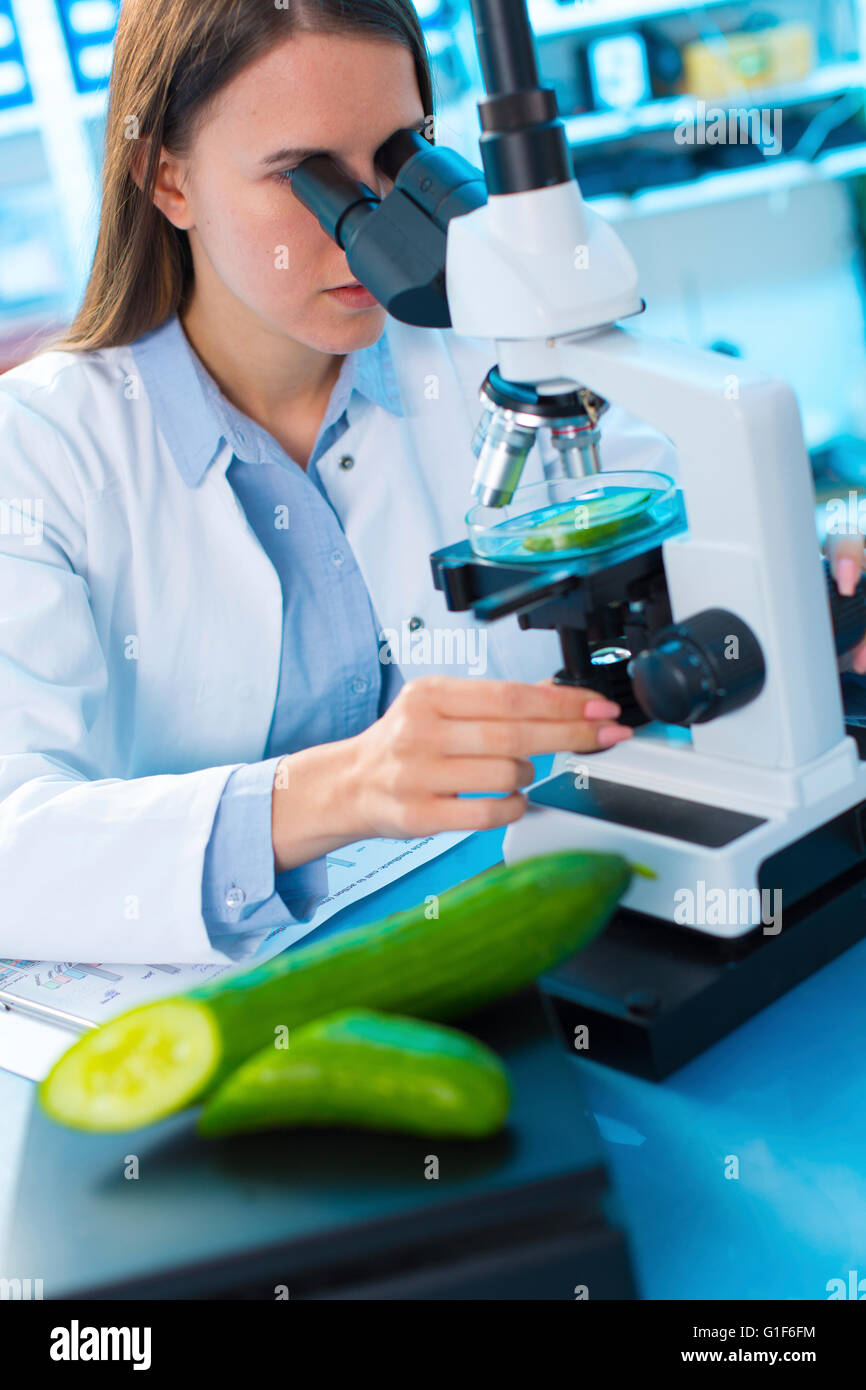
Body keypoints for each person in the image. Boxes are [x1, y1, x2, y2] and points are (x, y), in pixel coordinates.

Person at [0, 0, 858, 965]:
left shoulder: (495, 360)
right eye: (303, 177)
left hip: (511, 935)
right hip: (214, 1013)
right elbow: (11, 840)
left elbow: (673, 523)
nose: (373, 233)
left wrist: (805, 576)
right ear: (168, 177)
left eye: (400, 157)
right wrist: (343, 789)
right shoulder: (37, 451)